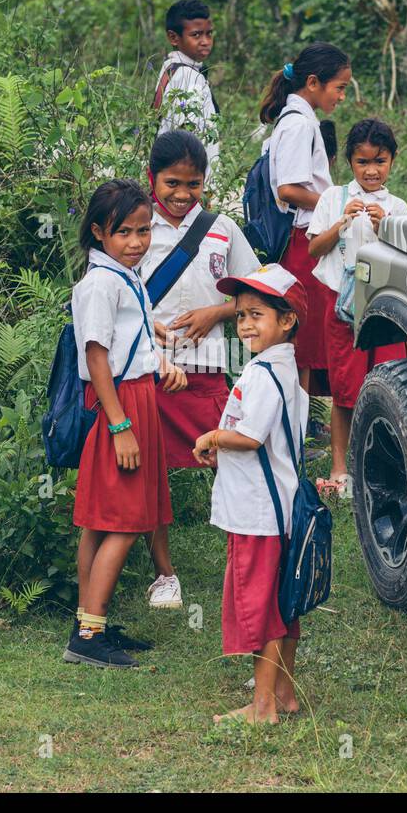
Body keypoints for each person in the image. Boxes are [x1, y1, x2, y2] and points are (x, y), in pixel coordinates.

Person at [67, 179, 188, 668]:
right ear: (99, 232)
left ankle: (89, 620)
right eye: (125, 233)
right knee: (122, 519)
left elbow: (125, 337)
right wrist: (120, 427)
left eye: (144, 231)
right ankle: (88, 636)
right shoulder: (99, 283)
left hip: (137, 397)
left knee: (104, 518)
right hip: (120, 405)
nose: (137, 242)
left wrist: (156, 350)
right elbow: (96, 356)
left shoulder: (123, 275)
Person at [139, 130, 259, 609]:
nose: (183, 194)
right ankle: (164, 574)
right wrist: (151, 328)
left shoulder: (222, 228)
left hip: (206, 367)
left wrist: (219, 312)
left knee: (229, 458)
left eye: (193, 183)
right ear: (152, 179)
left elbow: (256, 290)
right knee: (148, 472)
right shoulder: (134, 225)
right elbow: (109, 297)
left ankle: (250, 559)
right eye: (172, 183)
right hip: (146, 368)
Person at [194, 264, 311, 724]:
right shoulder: (286, 369)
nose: (245, 324)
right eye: (240, 315)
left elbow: (251, 436)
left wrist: (214, 438)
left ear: (287, 321)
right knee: (283, 602)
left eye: (257, 314)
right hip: (280, 506)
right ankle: (283, 692)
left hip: (257, 512)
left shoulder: (261, 374)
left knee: (260, 607)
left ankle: (262, 707)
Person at [307, 118, 407, 495]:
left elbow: (406, 263)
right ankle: (341, 471)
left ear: (392, 161)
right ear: (349, 161)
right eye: (362, 161)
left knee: (390, 385)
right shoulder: (333, 198)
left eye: (379, 161)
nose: (371, 170)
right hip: (341, 307)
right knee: (345, 390)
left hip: (384, 309)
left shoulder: (397, 206)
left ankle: (385, 470)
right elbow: (313, 249)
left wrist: (388, 229)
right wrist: (340, 224)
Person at [257, 42, 351, 394]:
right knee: (304, 342)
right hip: (301, 242)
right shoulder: (299, 125)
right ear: (313, 83)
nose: (341, 97)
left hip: (303, 239)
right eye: (339, 87)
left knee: (306, 341)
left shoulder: (298, 120)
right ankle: (299, 428)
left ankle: (303, 425)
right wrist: (335, 203)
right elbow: (289, 190)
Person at [152, 0, 219, 176]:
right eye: (196, 35)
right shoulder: (189, 78)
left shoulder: (171, 68)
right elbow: (189, 139)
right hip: (189, 178)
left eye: (209, 34)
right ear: (173, 37)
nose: (205, 41)